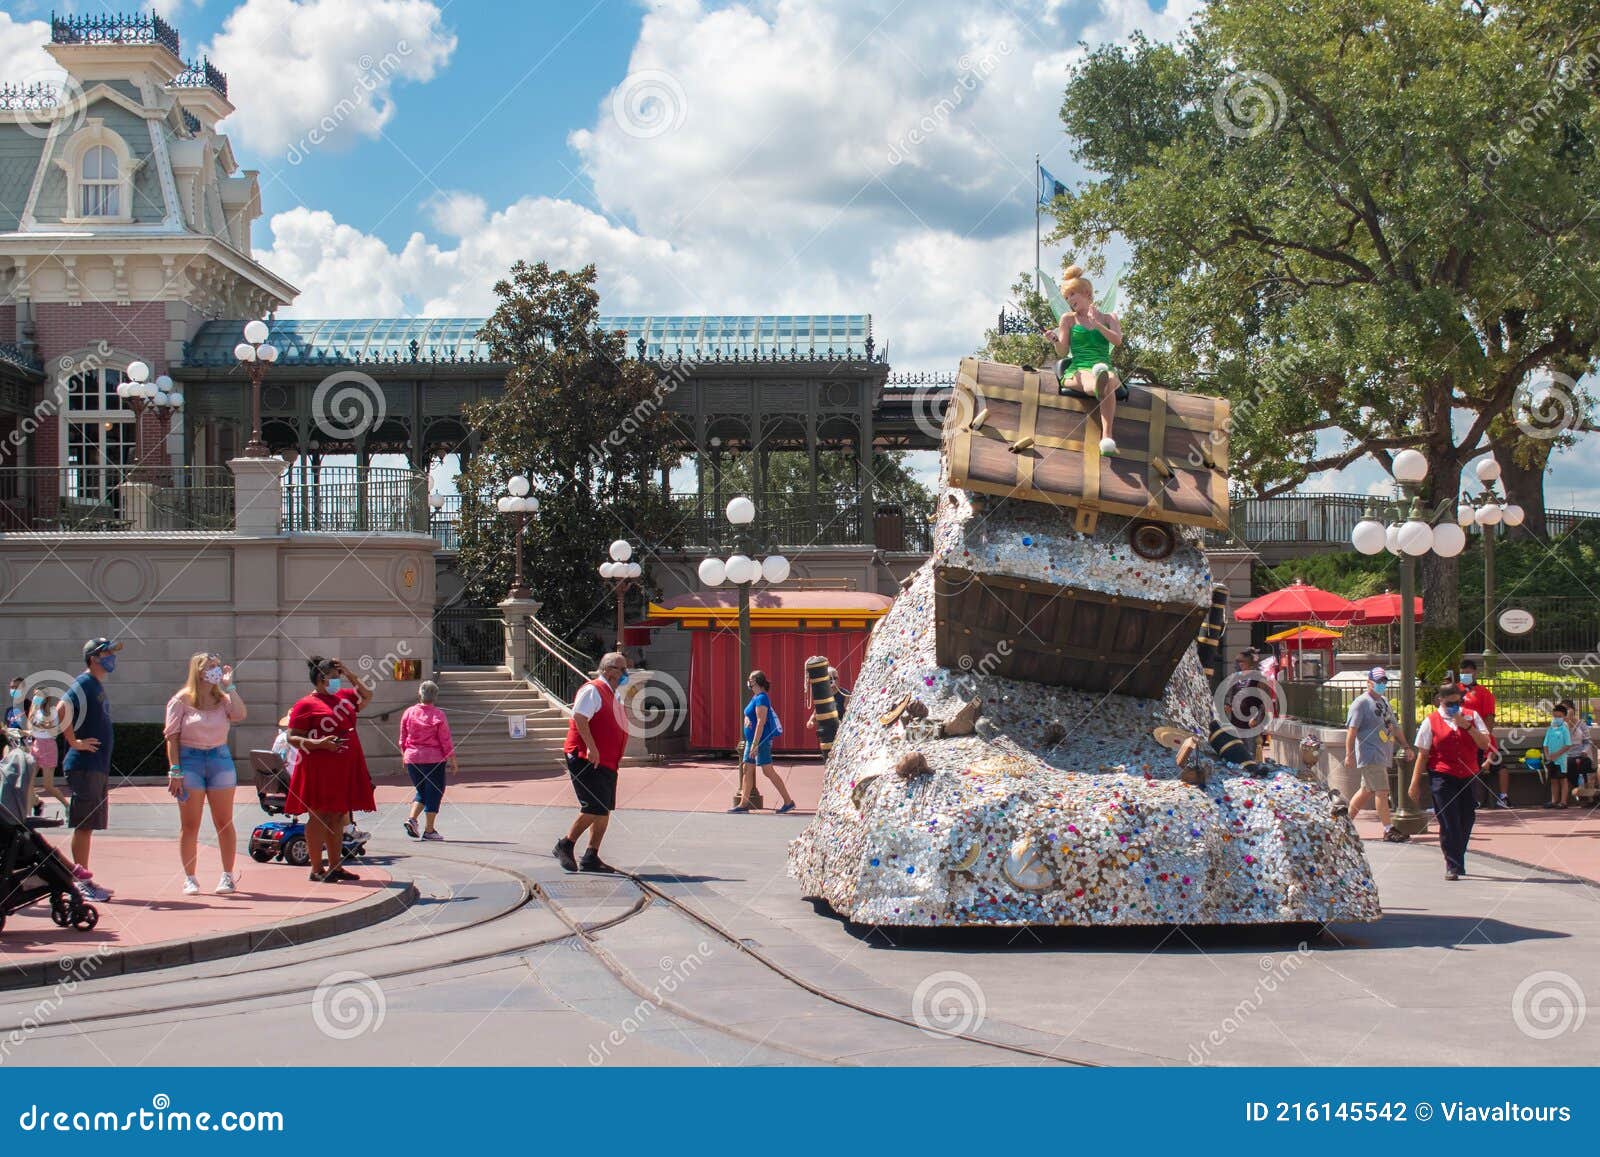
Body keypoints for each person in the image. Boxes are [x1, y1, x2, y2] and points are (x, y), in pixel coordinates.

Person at [284, 656, 375, 883]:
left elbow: (367, 695)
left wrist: (348, 671)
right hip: (319, 766)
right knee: (319, 815)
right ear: (320, 679)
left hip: (345, 765)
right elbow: (292, 737)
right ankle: (316, 869)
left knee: (337, 815)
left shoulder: (344, 697)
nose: (337, 682)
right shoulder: (306, 704)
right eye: (333, 678)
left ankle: (335, 866)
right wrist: (320, 743)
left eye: (338, 677)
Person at [163, 652, 247, 895]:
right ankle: (190, 877)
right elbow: (172, 737)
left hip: (220, 760)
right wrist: (175, 770)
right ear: (198, 670)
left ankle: (228, 876)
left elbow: (240, 714)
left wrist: (229, 686)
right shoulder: (181, 700)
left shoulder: (223, 698)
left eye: (218, 666)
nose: (216, 670)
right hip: (190, 762)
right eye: (211, 666)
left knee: (224, 821)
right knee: (190, 824)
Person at [555, 652, 632, 873]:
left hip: (607, 761)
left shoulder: (613, 694)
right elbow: (579, 717)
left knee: (604, 809)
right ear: (607, 670)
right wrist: (592, 746)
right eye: (621, 669)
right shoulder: (592, 690)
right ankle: (565, 844)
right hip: (585, 757)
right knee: (594, 806)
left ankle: (591, 855)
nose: (625, 674)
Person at [1409, 682, 1492, 881]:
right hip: (1442, 776)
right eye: (1450, 703)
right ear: (1441, 700)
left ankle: (1458, 855)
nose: (1455, 705)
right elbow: (1423, 753)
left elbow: (1485, 744)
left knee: (1466, 818)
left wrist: (1469, 727)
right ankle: (1452, 864)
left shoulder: (1471, 716)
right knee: (1449, 820)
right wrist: (1414, 782)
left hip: (1468, 775)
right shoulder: (1431, 721)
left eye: (1458, 701)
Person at [1040, 263, 1126, 455]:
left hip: (1105, 366)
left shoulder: (1109, 318)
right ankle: (1098, 383)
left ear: (1086, 293)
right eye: (1067, 297)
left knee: (1109, 379)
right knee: (1092, 379)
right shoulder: (1067, 320)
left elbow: (1117, 341)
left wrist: (1098, 325)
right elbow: (1063, 351)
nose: (1070, 300)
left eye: (1072, 295)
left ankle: (1107, 438)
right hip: (1079, 368)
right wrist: (1054, 340)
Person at [59, 638, 119, 902]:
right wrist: (74, 742)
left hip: (95, 766)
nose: (111, 657)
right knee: (83, 825)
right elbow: (61, 709)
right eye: (106, 653)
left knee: (89, 825)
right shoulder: (83, 683)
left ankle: (84, 879)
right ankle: (80, 882)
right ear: (93, 657)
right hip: (84, 766)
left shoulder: (95, 685)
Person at [1345, 666, 1411, 843]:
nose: (1381, 685)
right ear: (1369, 682)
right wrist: (1349, 754)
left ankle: (1344, 823)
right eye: (1378, 681)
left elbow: (1395, 727)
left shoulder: (1384, 702)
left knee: (1366, 790)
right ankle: (1388, 829)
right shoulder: (1360, 703)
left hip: (1382, 753)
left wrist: (1406, 745)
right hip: (1370, 754)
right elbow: (1352, 731)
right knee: (1382, 792)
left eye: (1384, 682)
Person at [731, 669, 796, 814]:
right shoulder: (756, 697)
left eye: (750, 680)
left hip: (760, 741)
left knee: (768, 771)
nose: (748, 682)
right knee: (747, 770)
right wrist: (747, 720)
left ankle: (788, 801)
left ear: (757, 682)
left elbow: (761, 721)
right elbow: (752, 716)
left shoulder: (761, 698)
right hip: (752, 740)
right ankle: (743, 804)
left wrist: (755, 744)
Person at [399, 680, 456, 841]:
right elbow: (445, 739)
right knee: (434, 792)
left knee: (421, 791)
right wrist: (452, 758)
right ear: (435, 697)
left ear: (420, 694)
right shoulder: (438, 715)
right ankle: (429, 830)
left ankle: (412, 819)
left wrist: (404, 755)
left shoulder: (409, 712)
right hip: (433, 759)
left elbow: (403, 738)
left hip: (413, 758)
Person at [1458, 659, 1504, 806]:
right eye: (1463, 672)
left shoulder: (1484, 693)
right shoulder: (1454, 689)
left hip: (1477, 738)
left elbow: (1489, 718)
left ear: (1475, 673)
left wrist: (1486, 739)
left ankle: (1478, 799)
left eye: (1468, 672)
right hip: (1459, 738)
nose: (1465, 675)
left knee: (1478, 768)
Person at [26, 692, 70, 818]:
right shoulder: (33, 711)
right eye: (35, 695)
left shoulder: (52, 711)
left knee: (48, 785)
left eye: (39, 695)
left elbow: (52, 728)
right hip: (36, 746)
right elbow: (30, 728)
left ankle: (67, 806)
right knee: (28, 782)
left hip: (48, 746)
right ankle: (28, 814)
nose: (36, 698)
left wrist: (41, 725)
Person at [1542, 702, 1575, 810]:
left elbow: (1568, 745)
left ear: (1564, 717)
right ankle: (1554, 800)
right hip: (1551, 760)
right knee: (1553, 780)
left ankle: (1563, 801)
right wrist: (1547, 756)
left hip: (1561, 760)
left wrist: (1557, 754)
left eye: (1559, 717)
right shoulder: (1550, 729)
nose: (1556, 718)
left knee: (1563, 780)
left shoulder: (1564, 729)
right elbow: (1545, 744)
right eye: (1555, 716)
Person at [1562, 700, 1594, 794]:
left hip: (1581, 754)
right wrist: (1567, 723)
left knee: (1586, 763)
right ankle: (1577, 788)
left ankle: (1587, 794)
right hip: (1567, 755)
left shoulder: (1581, 724)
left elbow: (1587, 741)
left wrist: (1585, 751)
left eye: (1567, 709)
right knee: (1569, 763)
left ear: (1572, 710)